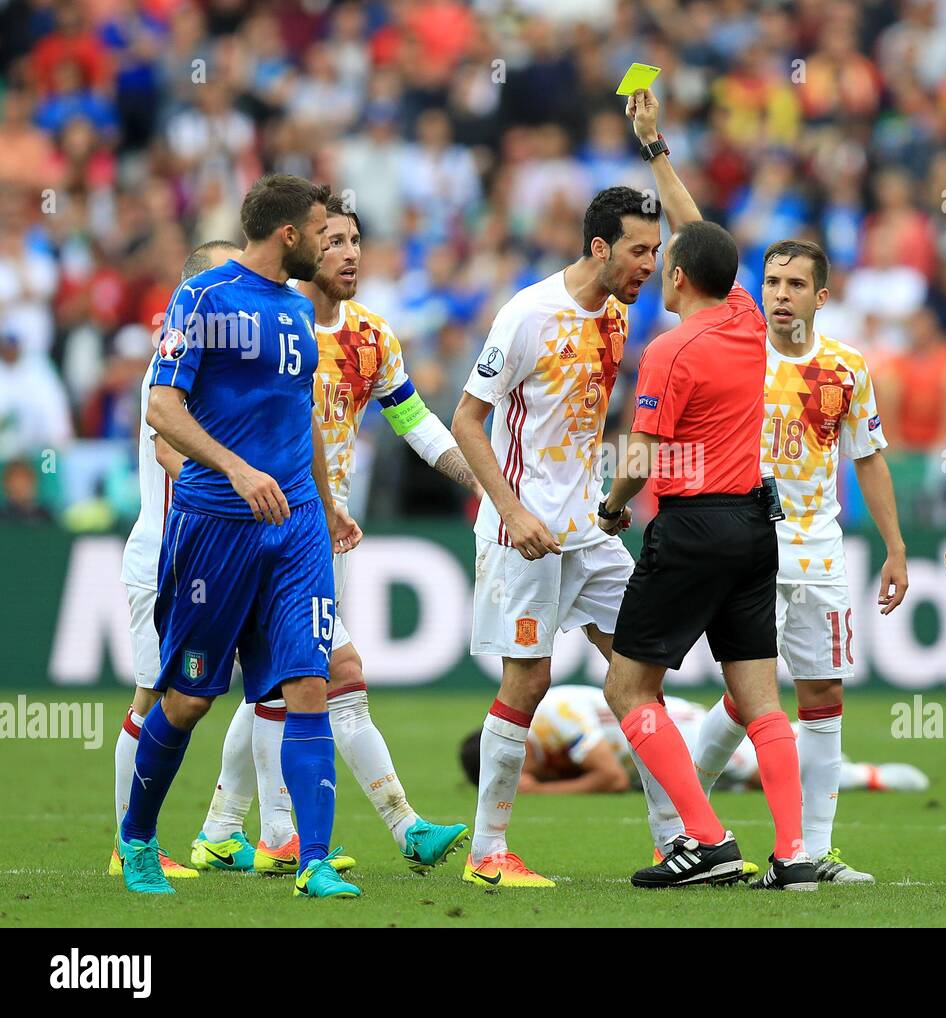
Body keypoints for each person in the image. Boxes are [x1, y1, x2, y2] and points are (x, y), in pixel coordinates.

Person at [191, 195, 478, 875]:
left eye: (356, 239)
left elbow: (415, 424)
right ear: (302, 246)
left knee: (278, 688)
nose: (349, 252)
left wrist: (485, 482)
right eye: (335, 240)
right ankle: (330, 832)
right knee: (320, 681)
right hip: (264, 528)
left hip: (328, 533)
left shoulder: (374, 336)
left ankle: (227, 828)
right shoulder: (267, 324)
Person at [118, 174, 362, 899]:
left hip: (296, 531)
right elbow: (163, 407)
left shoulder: (295, 310)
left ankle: (312, 860)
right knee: (191, 698)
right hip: (215, 526)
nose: (330, 241)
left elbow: (302, 414)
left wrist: (325, 500)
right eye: (322, 230)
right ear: (290, 234)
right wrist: (235, 467)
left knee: (310, 684)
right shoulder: (203, 298)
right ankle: (136, 840)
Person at [599, 89, 812, 892]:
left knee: (626, 685)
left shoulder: (671, 348)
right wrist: (656, 150)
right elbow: (697, 232)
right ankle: (793, 853)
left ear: (679, 276)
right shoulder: (750, 320)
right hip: (757, 528)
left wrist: (615, 505)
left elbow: (645, 456)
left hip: (691, 531)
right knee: (759, 699)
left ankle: (708, 839)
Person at [449, 178, 662, 887]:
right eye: (638, 250)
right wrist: (510, 510)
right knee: (530, 680)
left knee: (639, 669)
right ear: (600, 247)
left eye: (656, 251)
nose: (649, 265)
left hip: (587, 530)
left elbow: (585, 425)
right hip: (524, 530)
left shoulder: (618, 316)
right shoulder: (526, 315)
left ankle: (677, 845)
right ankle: (488, 854)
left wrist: (606, 500)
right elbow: (466, 422)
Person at [687, 239, 909, 885]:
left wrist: (895, 549)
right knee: (746, 696)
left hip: (820, 553)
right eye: (772, 281)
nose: (780, 294)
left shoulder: (844, 369)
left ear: (821, 296)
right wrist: (656, 152)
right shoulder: (739, 354)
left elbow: (868, 458)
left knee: (822, 695)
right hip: (748, 549)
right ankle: (681, 823)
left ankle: (811, 850)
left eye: (794, 284)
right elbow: (695, 228)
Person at [109, 239, 239, 882]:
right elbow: (169, 452)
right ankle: (127, 840)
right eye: (226, 277)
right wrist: (241, 484)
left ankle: (241, 831)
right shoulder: (174, 367)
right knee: (154, 695)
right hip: (168, 555)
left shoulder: (223, 367)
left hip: (216, 555)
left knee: (267, 687)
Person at [457, 684, 928, 803]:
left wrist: (546, 792)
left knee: (759, 770)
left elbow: (612, 776)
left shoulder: (554, 717)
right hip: (661, 754)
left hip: (677, 728)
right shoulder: (544, 735)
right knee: (743, 782)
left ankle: (867, 775)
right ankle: (812, 747)